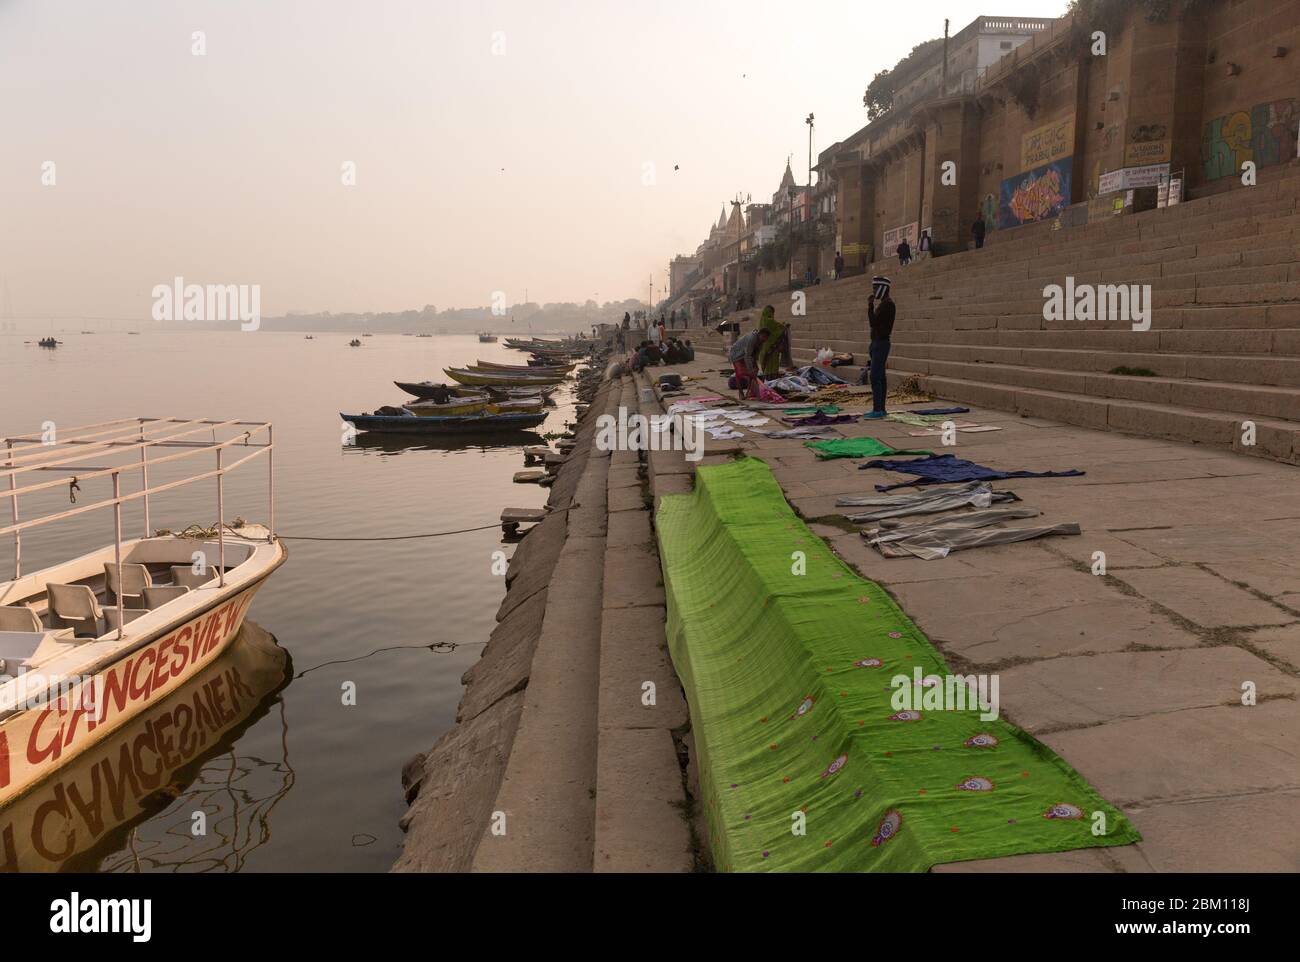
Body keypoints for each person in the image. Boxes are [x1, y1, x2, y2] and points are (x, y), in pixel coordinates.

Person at [864, 277, 895, 419]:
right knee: (880, 376)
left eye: (876, 288)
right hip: (877, 343)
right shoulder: (884, 304)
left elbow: (873, 322)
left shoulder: (887, 305)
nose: (874, 291)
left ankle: (878, 409)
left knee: (876, 376)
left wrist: (870, 306)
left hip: (881, 343)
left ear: (883, 288)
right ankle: (881, 409)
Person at [727, 327, 770, 400]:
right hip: (736, 354)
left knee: (754, 372)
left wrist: (755, 366)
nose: (765, 339)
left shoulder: (761, 342)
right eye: (764, 337)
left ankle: (750, 392)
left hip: (748, 355)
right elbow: (747, 355)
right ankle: (741, 393)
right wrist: (750, 369)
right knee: (740, 373)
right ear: (760, 334)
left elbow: (755, 355)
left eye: (766, 338)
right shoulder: (751, 338)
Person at [754, 304, 788, 378]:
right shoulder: (769, 321)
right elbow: (779, 328)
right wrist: (784, 326)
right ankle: (772, 375)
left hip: (763, 346)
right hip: (771, 346)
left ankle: (767, 375)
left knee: (766, 361)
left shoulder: (761, 320)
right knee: (772, 361)